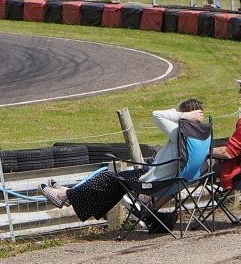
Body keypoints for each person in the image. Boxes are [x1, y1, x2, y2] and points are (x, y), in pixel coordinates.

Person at [41, 98, 213, 233]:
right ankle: (68, 194)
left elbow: (156, 114)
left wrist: (182, 117)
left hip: (157, 180)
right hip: (175, 180)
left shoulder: (179, 132)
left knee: (109, 176)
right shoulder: (205, 136)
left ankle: (65, 195)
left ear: (188, 116)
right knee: (117, 184)